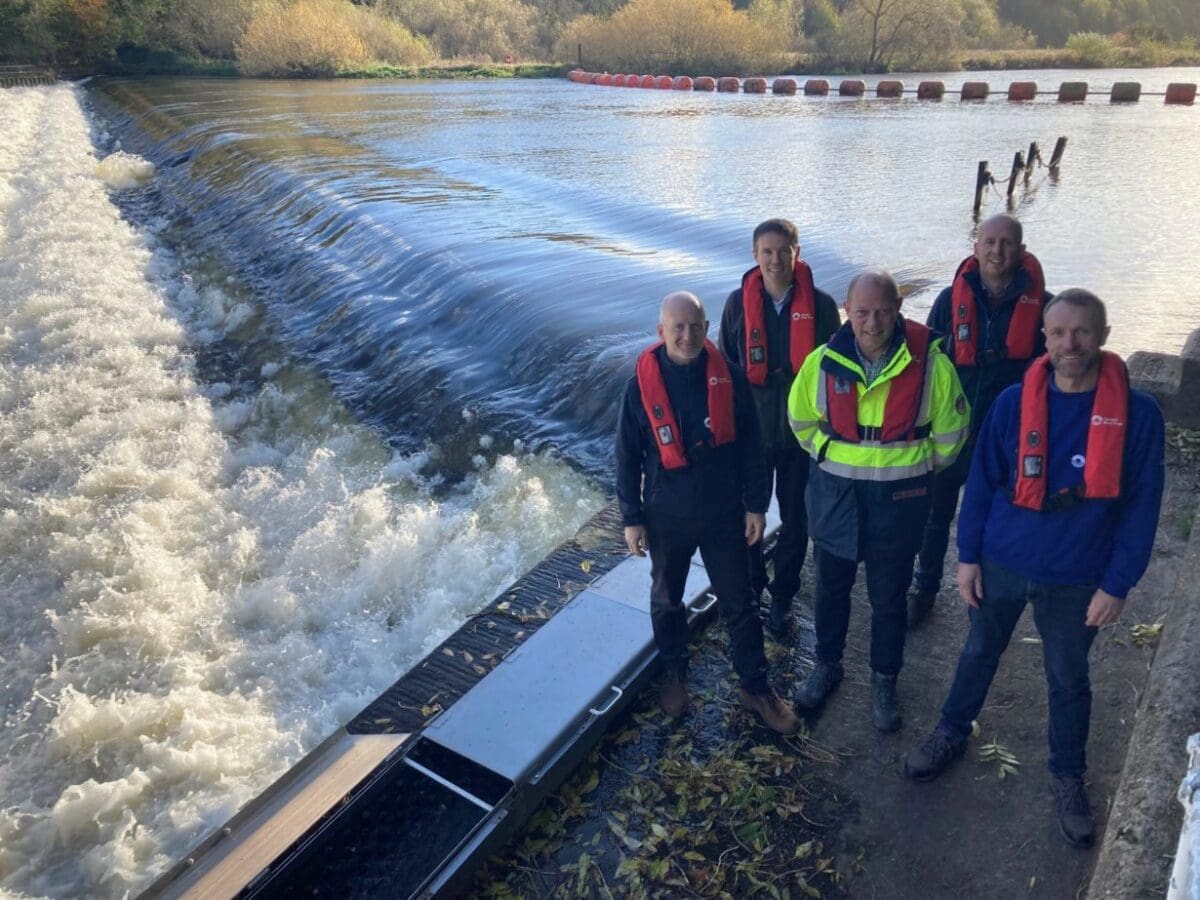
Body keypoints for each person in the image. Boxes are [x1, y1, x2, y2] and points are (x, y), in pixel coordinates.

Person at [903, 289, 1165, 849]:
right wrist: (967, 556)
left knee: (1068, 678)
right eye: (1058, 333)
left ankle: (1068, 774)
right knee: (977, 652)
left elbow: (1143, 508)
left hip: (1078, 577)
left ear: (1103, 334)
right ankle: (950, 732)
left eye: (1082, 332)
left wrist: (1118, 584)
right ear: (1044, 339)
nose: (1070, 344)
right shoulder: (1011, 403)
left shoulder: (1139, 415)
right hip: (1004, 559)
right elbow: (980, 485)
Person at [787, 270, 969, 731]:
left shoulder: (931, 365)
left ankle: (884, 679)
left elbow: (951, 437)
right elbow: (800, 421)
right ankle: (827, 665)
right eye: (863, 312)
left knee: (888, 600)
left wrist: (914, 466)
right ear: (848, 311)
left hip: (900, 502)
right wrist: (830, 454)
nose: (873, 322)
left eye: (883, 311)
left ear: (898, 309)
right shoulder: (822, 363)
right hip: (836, 499)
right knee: (830, 591)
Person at [616, 291, 800, 734]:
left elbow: (752, 446)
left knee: (740, 602)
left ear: (707, 328)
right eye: (677, 327)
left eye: (695, 326)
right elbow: (626, 454)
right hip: (667, 513)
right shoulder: (639, 386)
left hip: (723, 512)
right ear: (661, 332)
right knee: (667, 599)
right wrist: (631, 516)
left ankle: (755, 686)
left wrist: (757, 505)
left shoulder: (731, 378)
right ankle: (675, 674)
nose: (687, 335)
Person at [907, 214, 1053, 627]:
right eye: (989, 242)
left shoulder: (1044, 306)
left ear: (1020, 251)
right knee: (936, 516)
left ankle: (984, 597)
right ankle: (925, 588)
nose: (997, 251)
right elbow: (925, 367)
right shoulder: (947, 301)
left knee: (994, 518)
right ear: (976, 248)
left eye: (1007, 243)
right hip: (951, 432)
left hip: (1005, 437)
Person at [719, 219, 841, 637]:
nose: (775, 260)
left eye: (782, 251)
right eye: (766, 252)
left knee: (796, 521)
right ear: (755, 256)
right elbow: (725, 370)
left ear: (797, 252)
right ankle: (753, 590)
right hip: (751, 435)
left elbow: (836, 372)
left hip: (800, 437)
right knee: (747, 516)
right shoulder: (737, 304)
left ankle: (783, 597)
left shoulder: (822, 306)